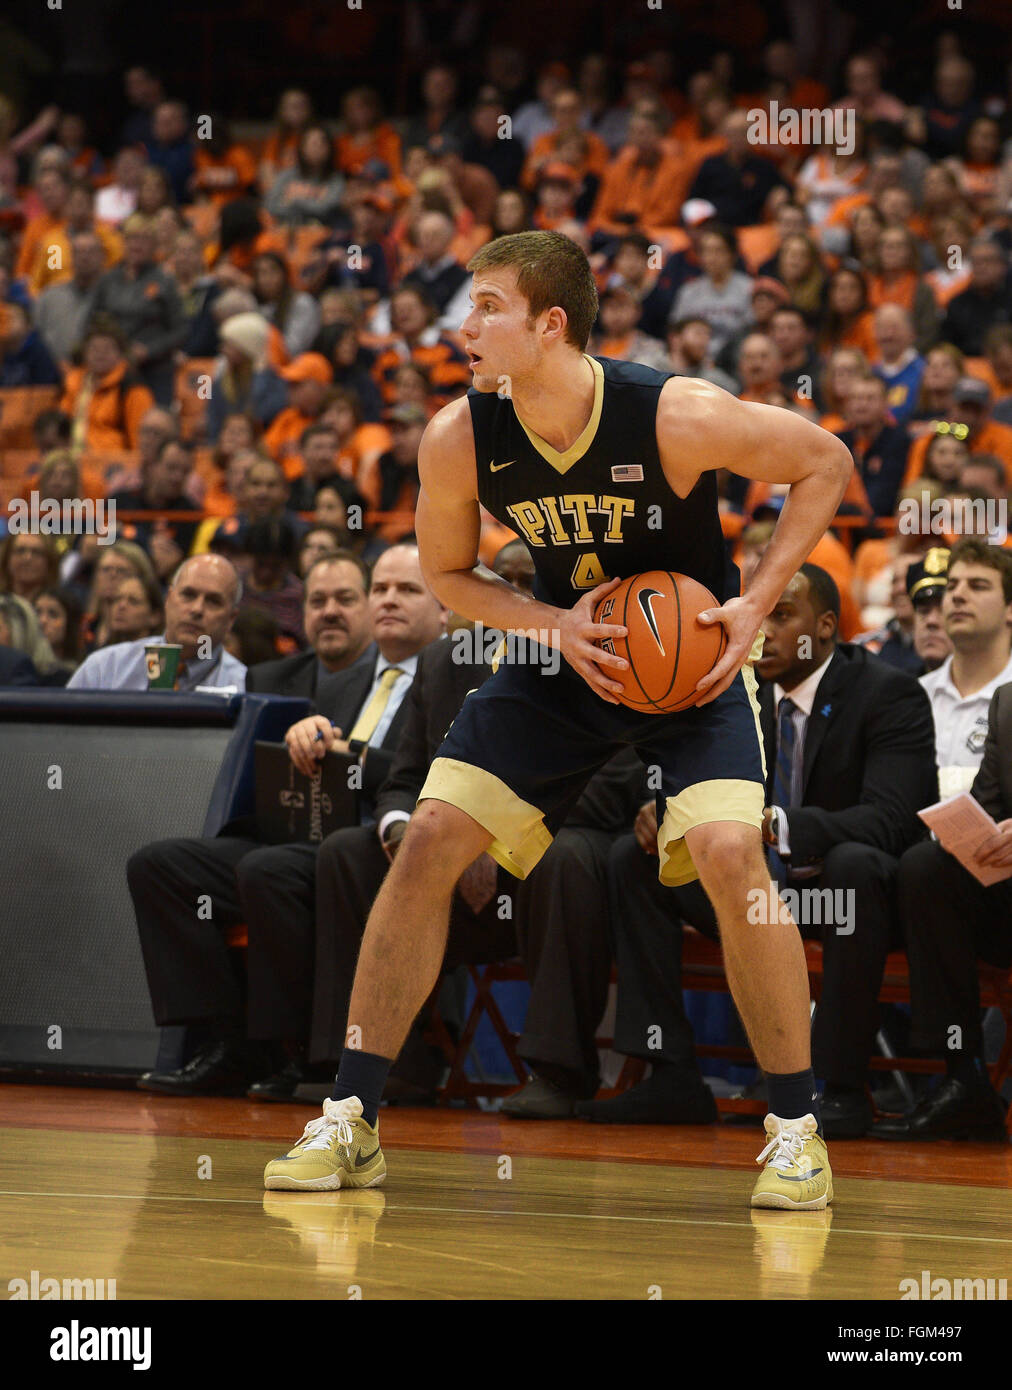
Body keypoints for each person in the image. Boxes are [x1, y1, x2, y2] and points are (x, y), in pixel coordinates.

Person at [263, 228, 853, 1207]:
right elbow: (449, 576)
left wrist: (756, 600)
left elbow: (823, 460)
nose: (466, 324)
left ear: (548, 323)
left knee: (728, 856)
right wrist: (549, 623)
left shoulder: (671, 414)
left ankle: (796, 1128)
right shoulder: (461, 435)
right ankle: (352, 1117)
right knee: (428, 840)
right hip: (566, 654)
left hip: (692, 666)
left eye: (486, 306)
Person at [590, 565, 936, 1137]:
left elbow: (892, 821)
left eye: (780, 616)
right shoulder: (732, 691)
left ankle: (838, 1086)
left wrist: (775, 823)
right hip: (750, 890)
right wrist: (670, 812)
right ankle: (670, 1073)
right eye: (754, 615)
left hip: (838, 901)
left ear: (825, 627)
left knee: (855, 867)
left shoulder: (887, 692)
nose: (760, 632)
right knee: (638, 859)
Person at [128, 545, 443, 1095]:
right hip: (296, 833)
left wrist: (350, 756)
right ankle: (227, 1041)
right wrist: (306, 741)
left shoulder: (450, 677)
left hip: (373, 846)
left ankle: (294, 1051)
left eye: (406, 590)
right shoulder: (332, 678)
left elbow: (433, 774)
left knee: (271, 871)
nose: (387, 601)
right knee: (160, 866)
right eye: (381, 591)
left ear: (444, 610)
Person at [68, 554, 245, 691]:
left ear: (231, 619)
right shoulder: (105, 668)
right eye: (188, 595)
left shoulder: (242, 687)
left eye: (213, 601)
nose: (197, 609)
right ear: (168, 599)